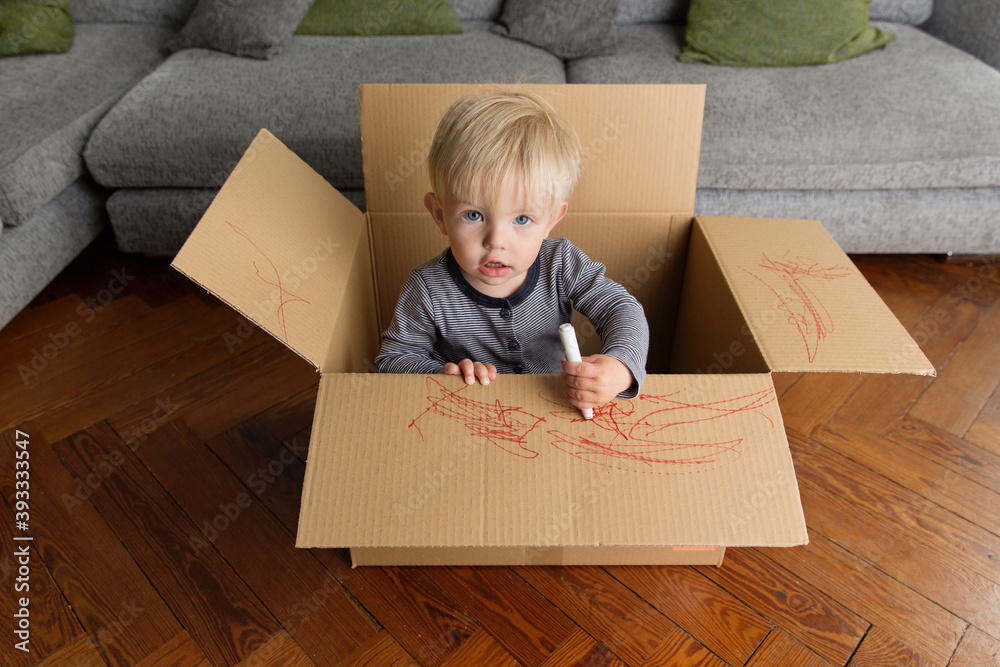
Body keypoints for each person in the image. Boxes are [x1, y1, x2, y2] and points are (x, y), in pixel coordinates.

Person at [375, 88, 649, 413]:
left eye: (522, 218)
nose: (497, 241)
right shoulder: (429, 288)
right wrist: (441, 373)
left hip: (555, 407)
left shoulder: (560, 262)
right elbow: (391, 360)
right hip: (471, 417)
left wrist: (620, 367)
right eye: (473, 215)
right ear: (440, 215)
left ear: (551, 220)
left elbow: (621, 308)